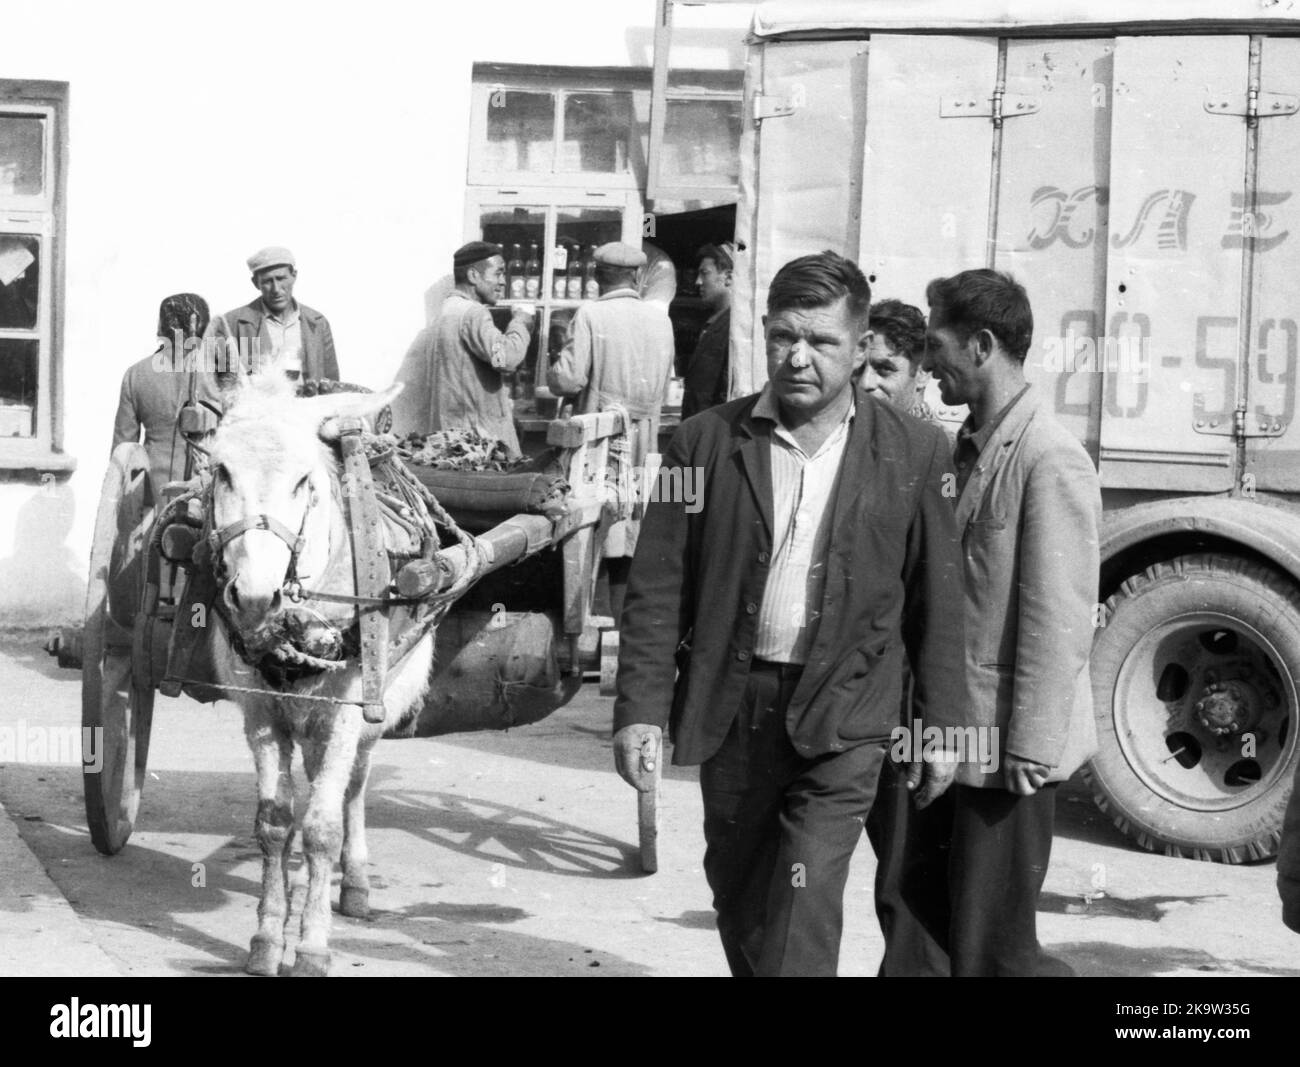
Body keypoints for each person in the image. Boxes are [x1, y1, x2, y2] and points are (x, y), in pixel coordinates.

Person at [612, 250, 966, 977]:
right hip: (734, 708)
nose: (798, 358)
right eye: (783, 337)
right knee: (742, 897)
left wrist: (944, 728)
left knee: (806, 887)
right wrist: (639, 707)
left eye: (822, 342)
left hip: (846, 715)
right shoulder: (700, 442)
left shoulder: (919, 453)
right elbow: (657, 581)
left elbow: (941, 603)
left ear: (862, 346)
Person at [903, 267, 1102, 976]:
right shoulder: (964, 445)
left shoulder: (1050, 458)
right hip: (949, 735)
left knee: (994, 948)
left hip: (1007, 754)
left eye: (936, 345)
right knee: (917, 920)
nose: (927, 363)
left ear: (981, 344)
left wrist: (1034, 746)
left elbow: (1060, 615)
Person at [547, 241, 675, 558]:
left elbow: (568, 379)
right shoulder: (662, 320)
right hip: (644, 438)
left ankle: (588, 598)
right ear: (636, 278)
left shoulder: (590, 314)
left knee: (594, 521)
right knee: (633, 517)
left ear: (597, 277)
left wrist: (554, 364)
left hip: (600, 441)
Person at [391, 241, 535, 457]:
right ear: (473, 276)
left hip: (454, 439)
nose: (503, 282)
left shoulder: (445, 312)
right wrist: (521, 323)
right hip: (478, 444)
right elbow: (507, 359)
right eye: (498, 274)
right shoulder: (472, 313)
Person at [113, 292, 224, 496]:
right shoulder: (221, 372)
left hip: (154, 492)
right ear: (204, 326)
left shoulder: (136, 374)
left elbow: (122, 451)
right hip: (209, 489)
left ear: (162, 326)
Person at [223, 246, 339, 382]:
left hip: (310, 403)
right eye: (267, 281)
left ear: (294, 276)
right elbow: (217, 385)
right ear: (256, 283)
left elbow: (332, 385)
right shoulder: (231, 323)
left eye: (281, 278)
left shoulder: (318, 323)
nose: (276, 289)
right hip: (257, 403)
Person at [857, 298, 935, 421]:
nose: (864, 383)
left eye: (884, 369)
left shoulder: (936, 440)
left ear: (922, 374)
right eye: (858, 369)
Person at [680, 242, 733, 419]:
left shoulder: (733, 327)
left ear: (728, 277)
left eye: (705, 273)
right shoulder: (715, 322)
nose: (698, 282)